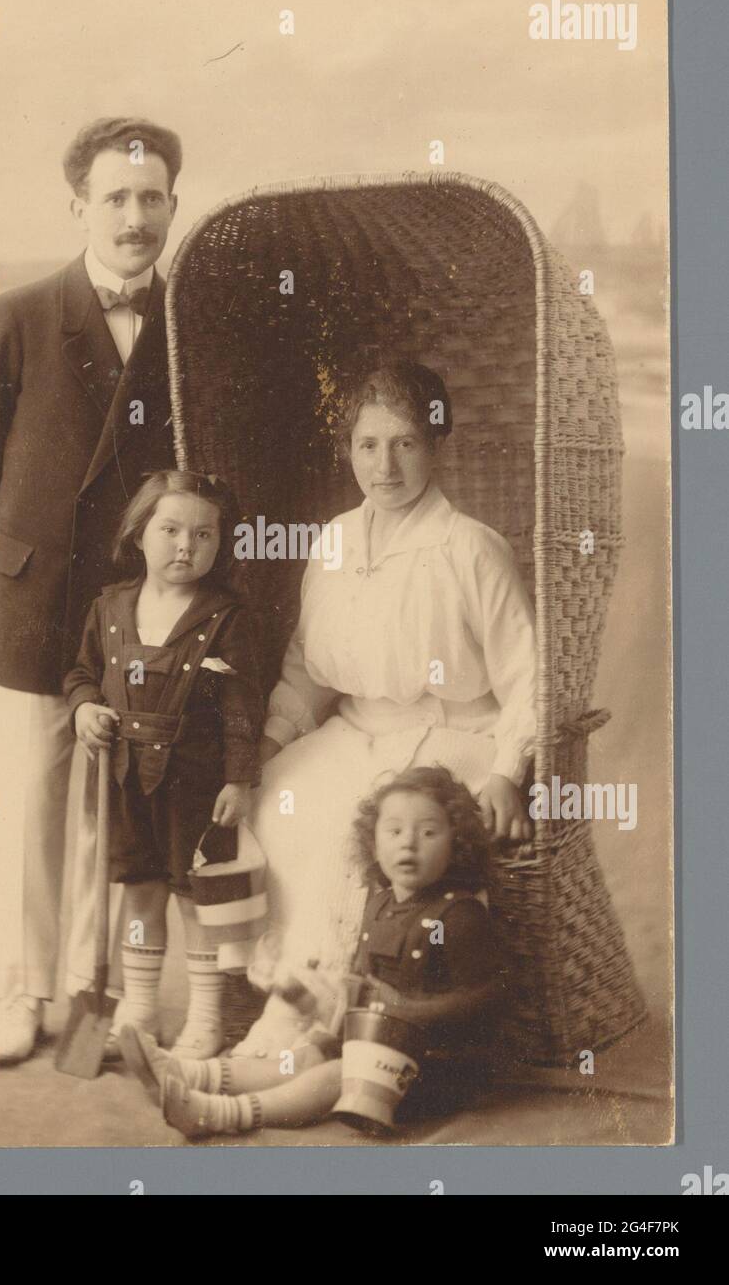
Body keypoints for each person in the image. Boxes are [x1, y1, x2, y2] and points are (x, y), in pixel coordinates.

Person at [0, 117, 182, 1061]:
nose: (134, 216)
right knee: (32, 808)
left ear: (174, 205)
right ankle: (22, 994)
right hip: (36, 609)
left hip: (136, 610)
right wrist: (17, 564)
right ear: (79, 205)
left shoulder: (182, 327)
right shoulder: (20, 316)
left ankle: (101, 991)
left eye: (151, 197)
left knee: (120, 802)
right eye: (116, 198)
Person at [230, 357, 537, 1059]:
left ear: (435, 446)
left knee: (359, 821)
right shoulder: (333, 542)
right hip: (358, 725)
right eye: (368, 445)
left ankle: (310, 1025)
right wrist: (274, 740)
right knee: (279, 798)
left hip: (458, 732)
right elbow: (309, 664)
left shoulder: (472, 548)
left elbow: (526, 674)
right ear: (348, 452)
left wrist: (508, 771)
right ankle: (290, 997)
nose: (385, 465)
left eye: (404, 443)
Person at [122, 766, 505, 1137]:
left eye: (428, 832)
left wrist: (404, 1012)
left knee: (335, 1074)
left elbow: (483, 999)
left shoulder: (458, 915)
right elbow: (356, 994)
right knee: (305, 1055)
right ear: (373, 842)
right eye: (395, 830)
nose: (408, 842)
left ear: (457, 842)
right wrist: (296, 992)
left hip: (435, 1066)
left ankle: (221, 1113)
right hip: (375, 1043)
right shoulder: (380, 905)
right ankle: (186, 1073)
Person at [63, 471, 264, 1058]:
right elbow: (80, 672)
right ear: (138, 534)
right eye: (170, 529)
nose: (186, 545)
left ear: (220, 543)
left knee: (194, 896)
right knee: (140, 893)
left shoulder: (227, 618)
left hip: (194, 784)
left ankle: (205, 1017)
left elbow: (243, 703)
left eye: (204, 534)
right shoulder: (110, 608)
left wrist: (239, 777)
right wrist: (83, 710)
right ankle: (140, 1009)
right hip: (124, 779)